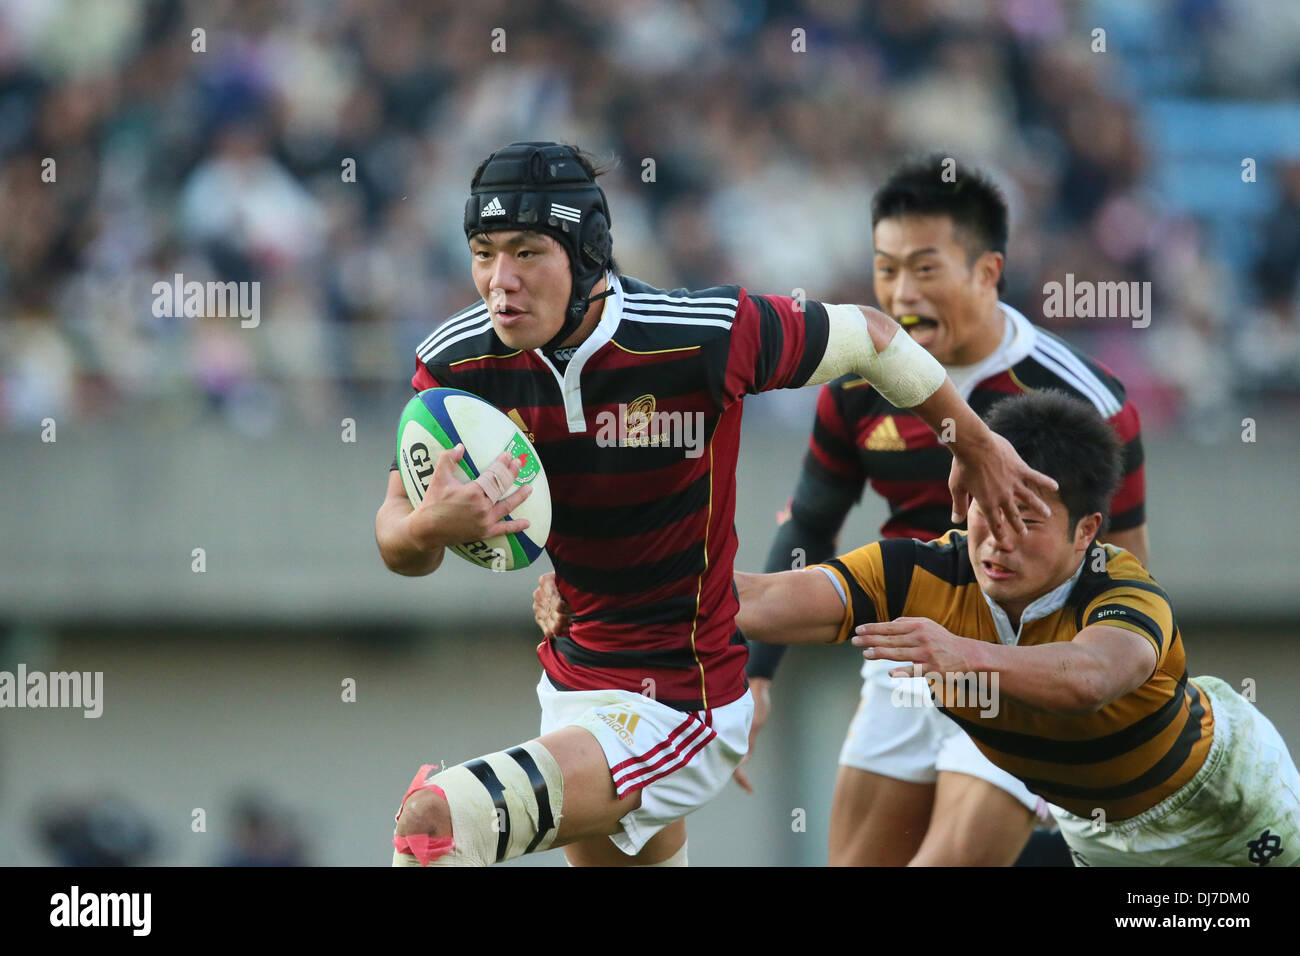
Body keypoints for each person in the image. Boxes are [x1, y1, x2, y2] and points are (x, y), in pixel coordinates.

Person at [375, 141, 1056, 867]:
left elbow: (871, 336)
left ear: (587, 254)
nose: (499, 282)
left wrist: (976, 445)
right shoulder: (458, 361)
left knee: (434, 824)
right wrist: (428, 527)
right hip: (572, 684)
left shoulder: (696, 337)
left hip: (681, 698)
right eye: (483, 252)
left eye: (526, 252)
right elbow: (396, 542)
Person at [745, 156, 1149, 866]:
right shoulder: (857, 384)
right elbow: (810, 523)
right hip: (905, 653)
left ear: (987, 272)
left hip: (1020, 661)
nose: (902, 295)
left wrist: (1102, 721)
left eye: (925, 270)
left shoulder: (1084, 397)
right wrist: (754, 677)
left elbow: (1127, 567)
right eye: (886, 270)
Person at [735, 390, 1300, 866]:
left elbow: (1091, 678)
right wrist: (653, 571)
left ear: (1087, 532)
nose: (997, 538)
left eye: (1026, 519)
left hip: (1225, 803)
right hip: (1099, 834)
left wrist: (961, 655)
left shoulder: (1121, 589)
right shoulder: (916, 572)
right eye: (988, 507)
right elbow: (761, 600)